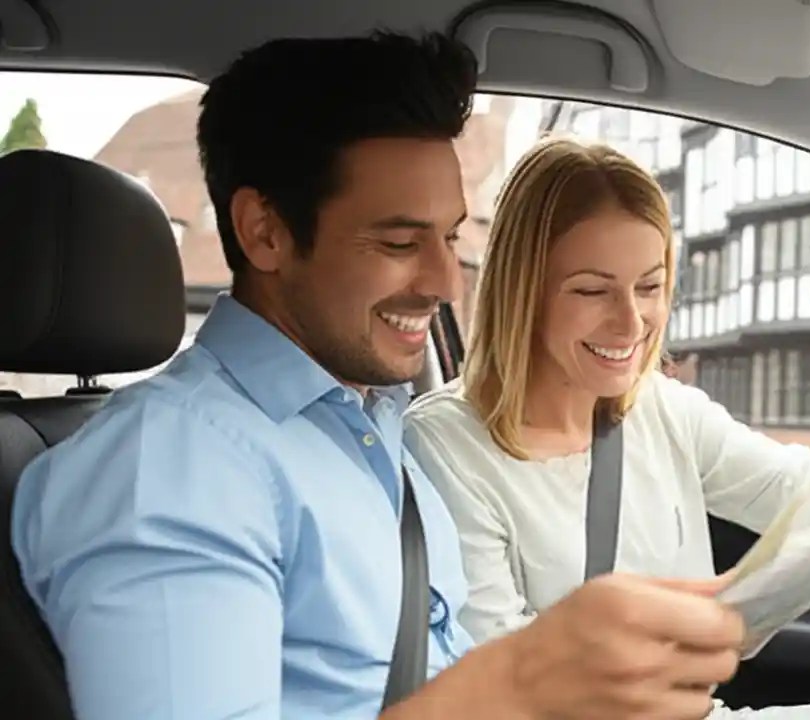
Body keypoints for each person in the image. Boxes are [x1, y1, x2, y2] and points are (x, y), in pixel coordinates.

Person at [10, 32, 745, 720]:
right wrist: (526, 679)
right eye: (398, 240)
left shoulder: (366, 429)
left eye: (449, 237)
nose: (444, 281)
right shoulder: (168, 471)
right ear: (264, 231)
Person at [403, 138, 810, 718]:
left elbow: (804, 491)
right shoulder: (447, 447)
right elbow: (498, 678)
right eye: (592, 291)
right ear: (524, 291)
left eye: (650, 287)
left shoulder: (660, 407)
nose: (632, 324)